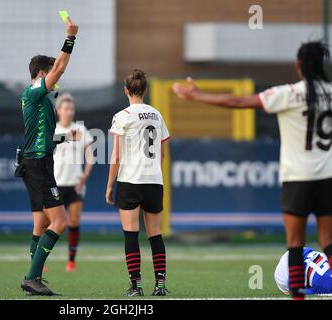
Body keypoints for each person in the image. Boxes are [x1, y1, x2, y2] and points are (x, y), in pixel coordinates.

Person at [172, 41, 332, 300]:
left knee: (295, 243)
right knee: (328, 241)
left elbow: (237, 101)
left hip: (297, 179)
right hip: (327, 178)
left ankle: (298, 297)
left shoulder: (289, 93)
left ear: (298, 66)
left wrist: (196, 95)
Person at [19, 16, 79, 296]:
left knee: (42, 223)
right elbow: (60, 66)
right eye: (52, 77)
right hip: (38, 165)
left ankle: (33, 277)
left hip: (35, 161)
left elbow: (42, 134)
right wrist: (70, 37)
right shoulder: (34, 91)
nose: (56, 82)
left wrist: (64, 137)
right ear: (42, 75)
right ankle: (32, 277)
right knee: (60, 222)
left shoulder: (40, 99)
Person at [106, 69, 171, 296]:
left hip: (130, 180)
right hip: (154, 180)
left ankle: (136, 286)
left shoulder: (122, 115)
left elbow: (116, 156)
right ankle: (160, 284)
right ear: (145, 90)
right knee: (155, 235)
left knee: (131, 234)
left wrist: (109, 185)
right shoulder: (156, 114)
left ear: (126, 90)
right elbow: (162, 154)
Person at [53, 93, 94, 272]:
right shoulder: (52, 129)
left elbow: (91, 156)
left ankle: (71, 261)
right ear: (58, 110)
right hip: (55, 184)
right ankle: (41, 260)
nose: (69, 112)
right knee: (51, 224)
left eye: (71, 109)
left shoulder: (81, 130)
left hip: (75, 184)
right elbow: (48, 142)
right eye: (65, 108)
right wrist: (67, 137)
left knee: (74, 221)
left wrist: (85, 175)